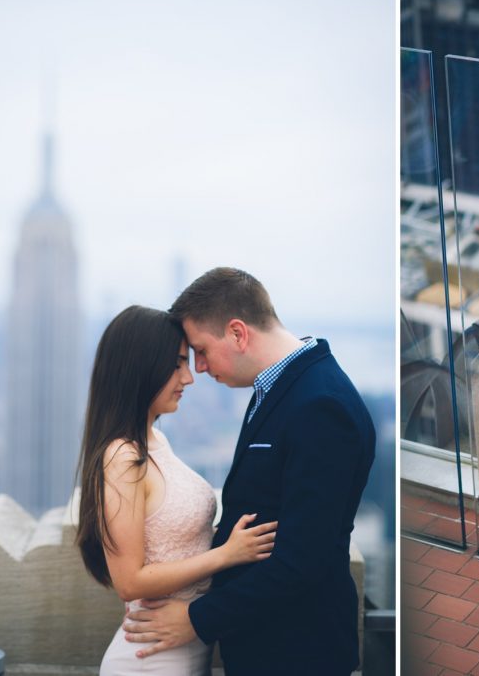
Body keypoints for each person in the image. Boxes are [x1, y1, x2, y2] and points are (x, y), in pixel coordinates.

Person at [122, 267, 376, 676]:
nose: (198, 368)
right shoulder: (278, 388)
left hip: (297, 653)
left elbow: (303, 560)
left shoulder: (321, 406)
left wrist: (197, 618)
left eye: (201, 350)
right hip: (263, 645)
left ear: (238, 333)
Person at [75, 305, 278, 675]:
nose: (188, 377)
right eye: (177, 365)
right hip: (148, 662)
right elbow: (129, 581)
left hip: (185, 650)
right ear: (141, 368)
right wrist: (227, 554)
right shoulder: (123, 456)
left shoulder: (155, 441)